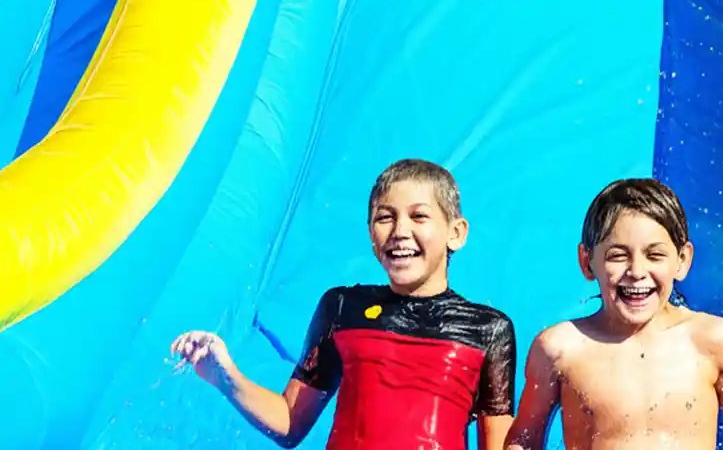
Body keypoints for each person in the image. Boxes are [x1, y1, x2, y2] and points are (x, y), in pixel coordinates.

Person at [171, 159, 517, 449]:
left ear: (455, 232)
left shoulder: (486, 329)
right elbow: (290, 421)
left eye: (419, 216)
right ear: (370, 233)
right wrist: (225, 376)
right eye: (385, 217)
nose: (399, 230)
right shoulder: (343, 308)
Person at [504, 178, 723, 450]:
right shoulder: (560, 348)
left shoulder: (712, 340)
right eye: (618, 256)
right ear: (587, 263)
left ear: (682, 261)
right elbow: (524, 441)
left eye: (655, 255)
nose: (636, 271)